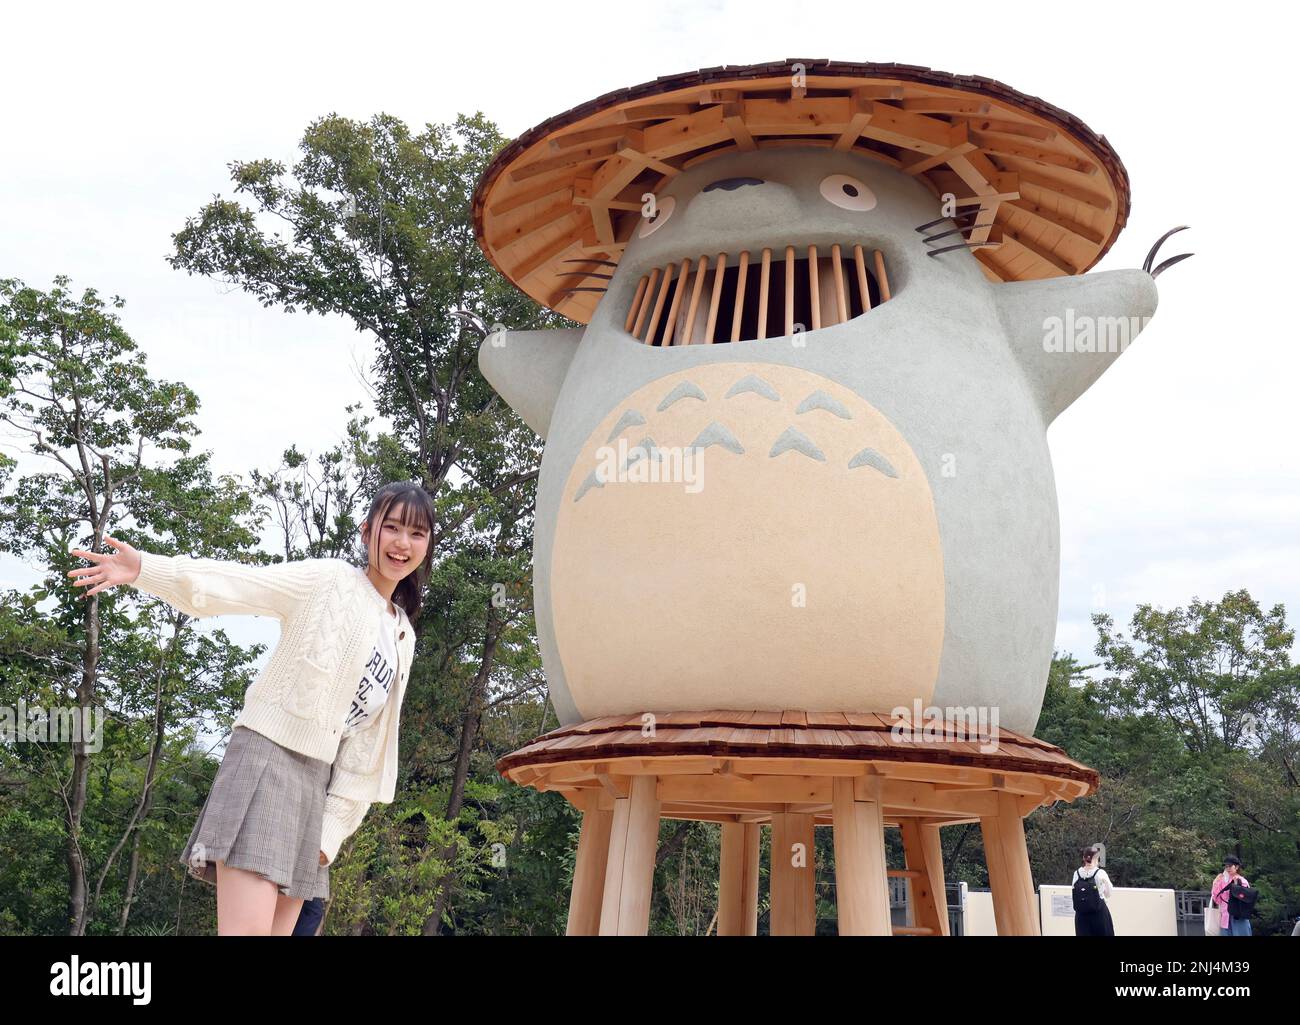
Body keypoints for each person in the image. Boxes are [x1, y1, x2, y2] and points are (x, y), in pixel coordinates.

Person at [68, 481, 431, 935]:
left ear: (427, 544)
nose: (402, 543)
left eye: (416, 533)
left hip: (317, 789)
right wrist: (145, 569)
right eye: (391, 527)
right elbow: (241, 584)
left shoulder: (402, 636)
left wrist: (332, 829)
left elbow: (365, 745)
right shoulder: (331, 581)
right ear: (366, 531)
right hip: (267, 758)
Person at [1071, 845, 1115, 936]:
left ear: (1084, 858)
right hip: (1099, 913)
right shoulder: (1100, 873)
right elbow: (1109, 893)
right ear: (1096, 859)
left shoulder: (1076, 873)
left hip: (1081, 915)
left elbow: (1074, 889)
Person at [1210, 856, 1254, 936]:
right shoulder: (1222, 881)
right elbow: (1217, 900)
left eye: (1230, 866)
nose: (1228, 868)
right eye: (1226, 866)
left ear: (1236, 867)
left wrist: (1237, 885)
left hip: (1238, 916)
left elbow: (1245, 898)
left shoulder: (1242, 881)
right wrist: (1216, 883)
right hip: (1225, 917)